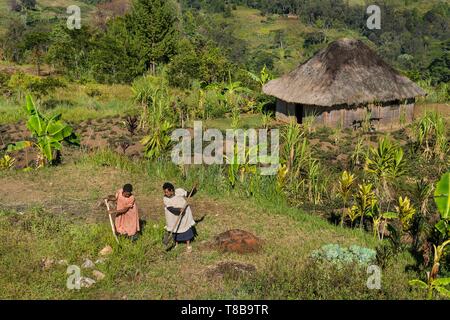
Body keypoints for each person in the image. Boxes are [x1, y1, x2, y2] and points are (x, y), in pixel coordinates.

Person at [162, 182, 197, 252]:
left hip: (184, 215)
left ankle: (188, 245)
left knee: (185, 229)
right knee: (176, 230)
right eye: (164, 192)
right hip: (173, 217)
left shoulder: (179, 191)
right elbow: (170, 208)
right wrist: (179, 210)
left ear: (171, 190)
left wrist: (193, 190)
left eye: (167, 192)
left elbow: (188, 194)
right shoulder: (166, 199)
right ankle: (176, 244)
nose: (165, 194)